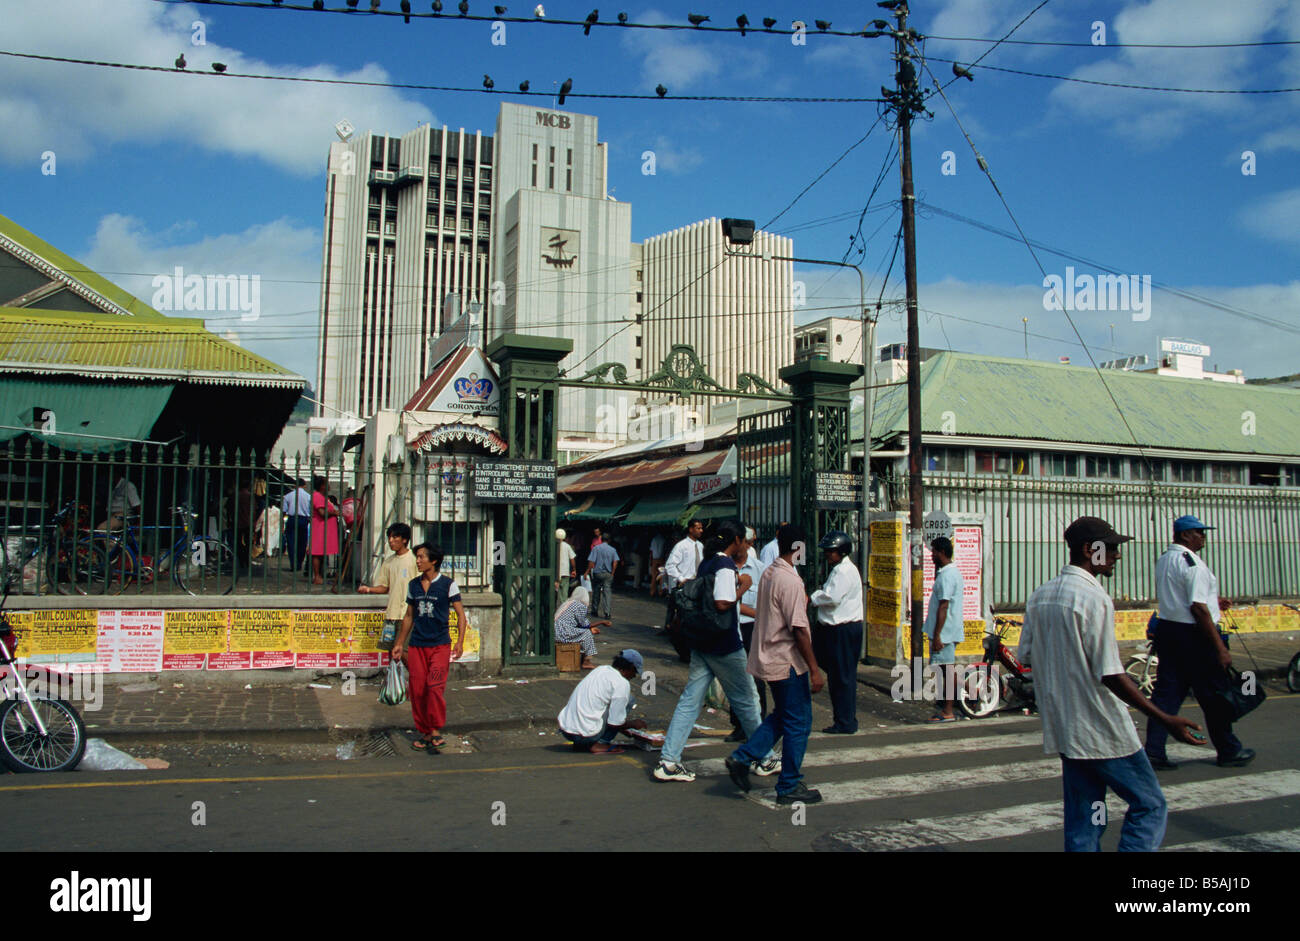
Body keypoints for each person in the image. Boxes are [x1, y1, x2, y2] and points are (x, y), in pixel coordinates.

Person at [1020, 516, 1206, 852]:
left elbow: (1028, 656)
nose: (1117, 556)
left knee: (1085, 816)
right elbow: (1111, 674)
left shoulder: (1040, 595)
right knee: (1150, 805)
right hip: (1103, 730)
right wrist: (1164, 718)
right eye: (1113, 548)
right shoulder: (1094, 599)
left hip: (1067, 729)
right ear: (1092, 550)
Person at [654, 521, 775, 783]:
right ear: (737, 541)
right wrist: (743, 585)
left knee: (690, 701)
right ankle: (763, 757)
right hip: (725, 644)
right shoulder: (724, 565)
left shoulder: (706, 563)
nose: (746, 544)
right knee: (747, 700)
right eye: (745, 540)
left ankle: (669, 760)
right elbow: (722, 603)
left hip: (703, 642)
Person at [724, 523, 826, 804]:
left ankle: (743, 757)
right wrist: (815, 669)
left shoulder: (770, 572)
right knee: (798, 722)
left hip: (768, 655)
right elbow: (799, 629)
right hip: (787, 660)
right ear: (799, 548)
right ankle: (789, 784)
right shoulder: (789, 580)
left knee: (783, 716)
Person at [1145, 515, 1254, 770]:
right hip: (1196, 636)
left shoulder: (1165, 559)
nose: (1203, 537)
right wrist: (1219, 648)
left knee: (1167, 694)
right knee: (1215, 694)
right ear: (1185, 535)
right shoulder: (1193, 563)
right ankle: (1228, 749)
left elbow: (1183, 599)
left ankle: (1154, 751)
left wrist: (1214, 602)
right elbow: (1197, 608)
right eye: (1199, 532)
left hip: (1170, 631)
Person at [391, 543, 466, 753]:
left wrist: (459, 641)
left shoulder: (449, 585)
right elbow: (409, 617)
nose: (418, 560)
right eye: (417, 557)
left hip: (440, 645)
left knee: (434, 687)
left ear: (433, 561)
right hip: (417, 645)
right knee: (417, 690)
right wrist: (399, 643)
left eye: (422, 557)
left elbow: (461, 615)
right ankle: (424, 731)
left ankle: (435, 728)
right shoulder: (413, 585)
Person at [809, 530, 864, 734]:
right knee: (838, 673)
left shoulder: (844, 571)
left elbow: (832, 598)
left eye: (831, 551)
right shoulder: (840, 569)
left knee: (842, 676)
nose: (827, 555)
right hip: (836, 629)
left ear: (841, 551)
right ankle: (844, 719)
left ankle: (845, 721)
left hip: (843, 629)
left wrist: (813, 598)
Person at [557, 650, 648, 754]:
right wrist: (633, 724)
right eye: (635, 672)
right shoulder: (622, 683)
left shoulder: (601, 669)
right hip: (584, 736)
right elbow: (615, 723)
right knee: (630, 699)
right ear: (631, 668)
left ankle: (584, 743)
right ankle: (600, 743)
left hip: (566, 730)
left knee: (611, 706)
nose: (634, 676)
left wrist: (624, 728)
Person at [727, 526, 769, 742]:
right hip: (730, 626)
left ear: (747, 544)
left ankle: (758, 723)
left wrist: (742, 608)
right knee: (735, 678)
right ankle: (738, 725)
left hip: (751, 627)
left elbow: (766, 604)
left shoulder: (760, 569)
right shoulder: (724, 567)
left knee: (755, 678)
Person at [357, 522, 418, 651]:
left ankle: (415, 672)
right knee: (390, 650)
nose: (391, 541)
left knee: (402, 650)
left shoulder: (414, 560)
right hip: (392, 614)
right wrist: (368, 589)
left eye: (395, 537)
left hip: (406, 613)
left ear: (404, 539)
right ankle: (395, 672)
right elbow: (384, 587)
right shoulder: (388, 562)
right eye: (389, 537)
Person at [924, 536, 965, 722]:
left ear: (941, 552)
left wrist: (938, 635)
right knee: (943, 671)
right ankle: (945, 707)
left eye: (933, 551)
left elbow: (943, 606)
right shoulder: (950, 573)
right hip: (946, 631)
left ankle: (948, 711)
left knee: (947, 671)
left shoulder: (947, 576)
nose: (931, 555)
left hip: (945, 633)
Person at [554, 586, 611, 670]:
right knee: (586, 633)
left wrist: (590, 628)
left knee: (585, 632)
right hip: (562, 631)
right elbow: (585, 624)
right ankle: (586, 661)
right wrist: (601, 622)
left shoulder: (568, 602)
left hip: (557, 631)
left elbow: (579, 624)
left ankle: (581, 658)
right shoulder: (579, 605)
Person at [308, 477, 340, 585]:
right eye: (327, 484)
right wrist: (334, 513)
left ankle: (319, 575)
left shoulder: (322, 497)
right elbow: (322, 512)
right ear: (322, 486)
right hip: (320, 528)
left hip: (324, 528)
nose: (329, 486)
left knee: (321, 553)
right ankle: (317, 576)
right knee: (317, 552)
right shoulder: (317, 496)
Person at [586, 536, 620, 620]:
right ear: (609, 540)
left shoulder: (596, 548)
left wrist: (587, 571)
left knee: (596, 591)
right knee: (607, 592)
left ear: (601, 540)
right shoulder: (613, 550)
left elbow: (591, 562)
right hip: (608, 573)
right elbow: (615, 562)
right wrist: (612, 573)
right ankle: (607, 612)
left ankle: (595, 610)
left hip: (598, 573)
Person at [282, 479, 312, 573]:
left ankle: (293, 564)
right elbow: (310, 511)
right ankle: (299, 562)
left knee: (291, 542)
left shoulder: (287, 496)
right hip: (303, 519)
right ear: (304, 485)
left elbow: (284, 510)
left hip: (292, 518)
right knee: (302, 542)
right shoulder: (308, 497)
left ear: (295, 486)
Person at [554, 528, 577, 610]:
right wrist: (574, 569)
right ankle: (563, 610)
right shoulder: (567, 546)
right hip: (565, 573)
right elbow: (572, 559)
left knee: (554, 593)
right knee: (564, 594)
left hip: (555, 573)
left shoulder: (553, 546)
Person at [649, 529, 667, 597]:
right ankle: (661, 592)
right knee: (661, 576)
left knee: (654, 576)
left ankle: (652, 591)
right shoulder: (663, 539)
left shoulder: (654, 539)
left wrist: (651, 560)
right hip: (661, 559)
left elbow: (651, 551)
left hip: (654, 559)